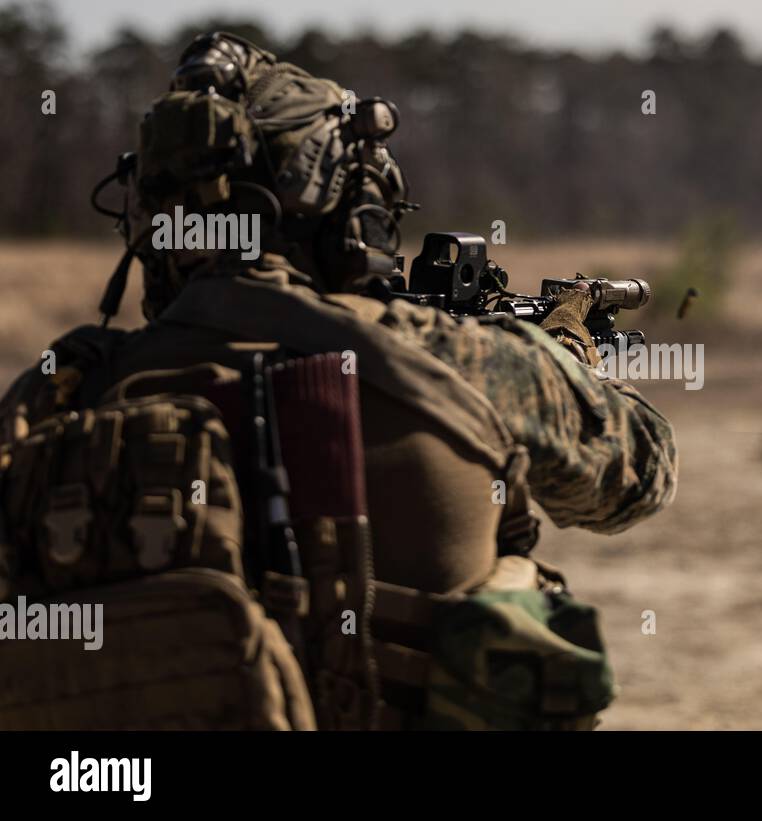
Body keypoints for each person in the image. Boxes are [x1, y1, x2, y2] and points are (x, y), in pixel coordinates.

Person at [0, 32, 676, 730]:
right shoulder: (451, 359)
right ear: (346, 215)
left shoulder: (61, 393)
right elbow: (637, 476)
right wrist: (565, 352)